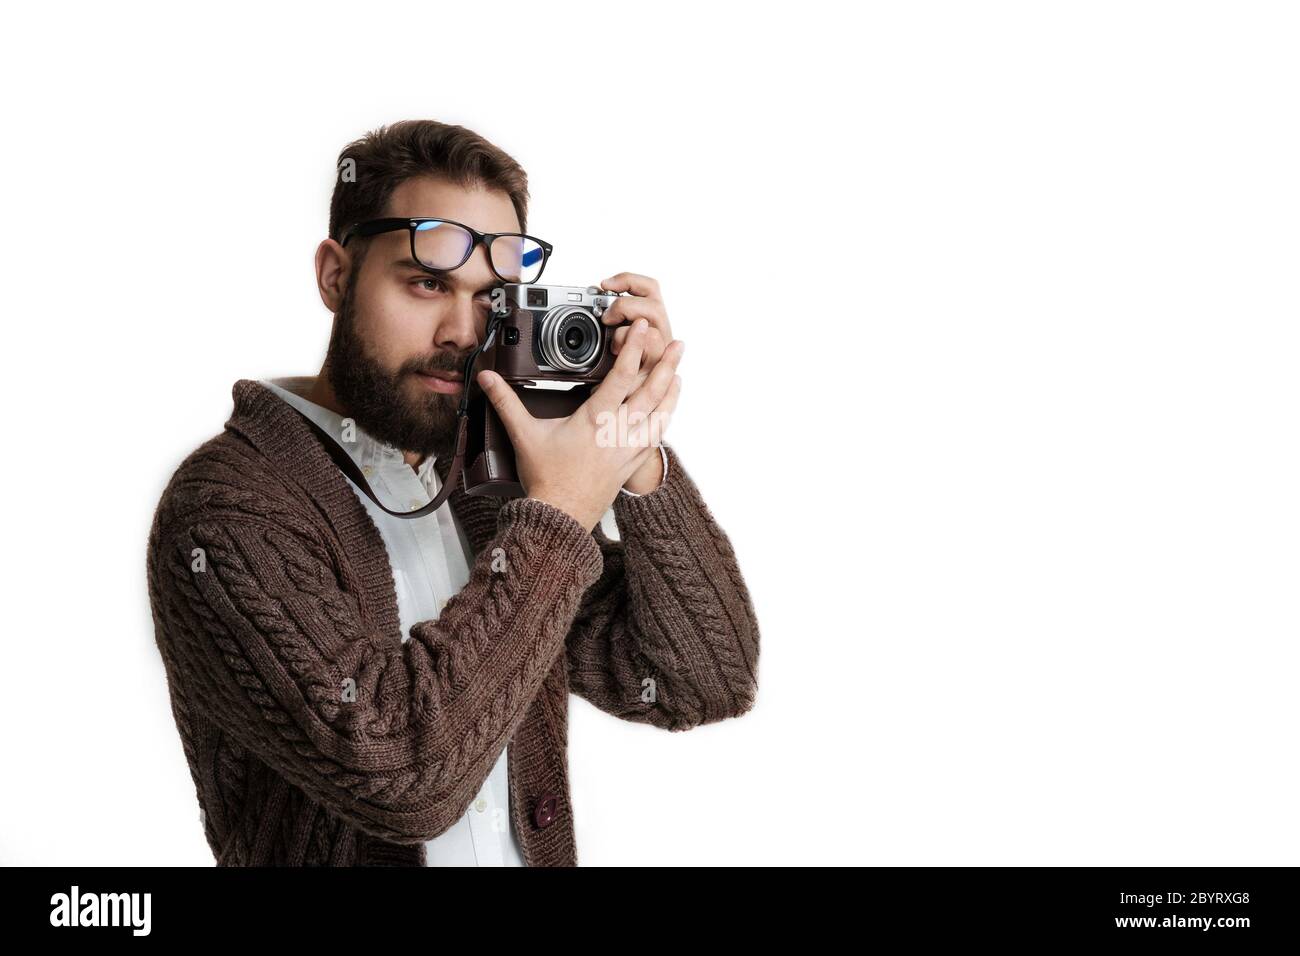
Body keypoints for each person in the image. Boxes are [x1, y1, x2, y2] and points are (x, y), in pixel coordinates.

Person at [145, 119, 760, 866]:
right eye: (427, 283)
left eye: (492, 298)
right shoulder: (227, 508)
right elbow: (403, 778)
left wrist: (632, 456)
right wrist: (560, 515)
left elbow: (702, 682)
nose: (463, 331)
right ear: (335, 275)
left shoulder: (491, 492)